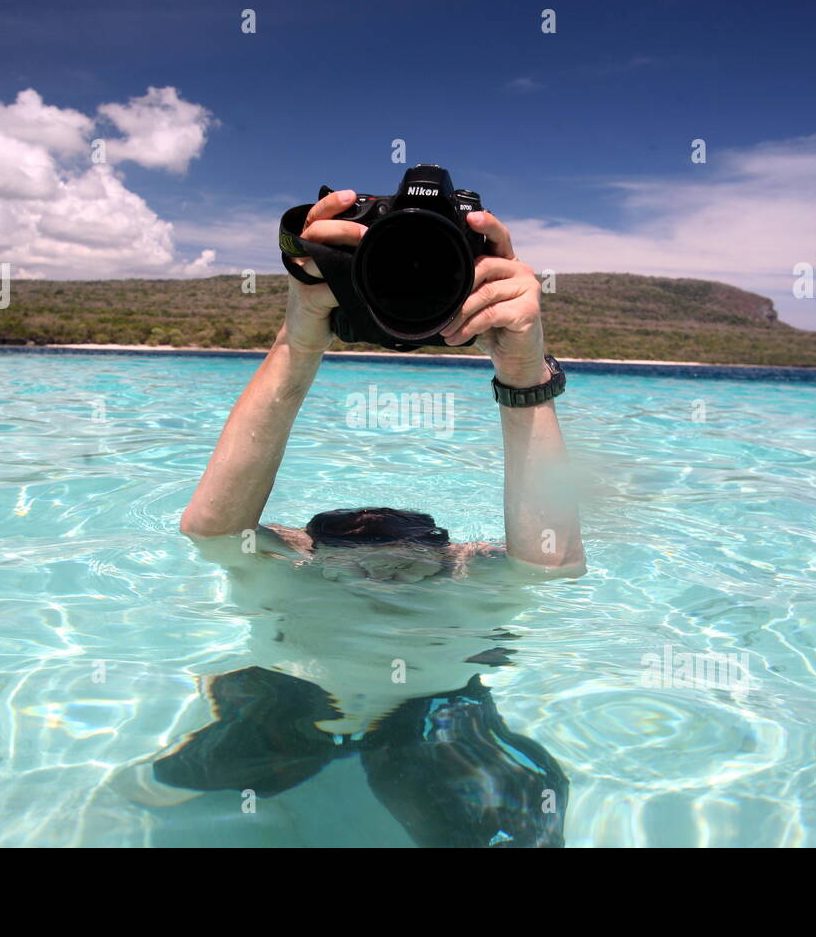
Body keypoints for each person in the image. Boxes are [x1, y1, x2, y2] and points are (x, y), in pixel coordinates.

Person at [115, 190, 585, 847]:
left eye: (399, 550)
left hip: (406, 707)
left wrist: (524, 364)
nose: (379, 564)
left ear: (449, 551)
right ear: (305, 544)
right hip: (314, 700)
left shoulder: (320, 566)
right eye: (360, 544)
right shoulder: (419, 572)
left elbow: (552, 562)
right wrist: (298, 335)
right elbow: (211, 527)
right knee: (151, 804)